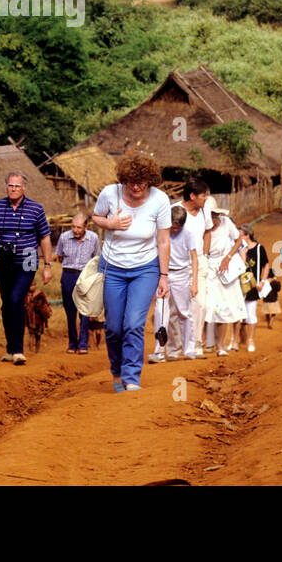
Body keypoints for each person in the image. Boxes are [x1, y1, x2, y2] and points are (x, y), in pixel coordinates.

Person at [92, 155, 171, 390]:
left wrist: (164, 276)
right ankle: (116, 370)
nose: (136, 187)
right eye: (130, 182)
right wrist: (110, 224)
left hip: (145, 268)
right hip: (113, 267)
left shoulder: (160, 200)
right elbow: (95, 217)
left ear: (150, 180)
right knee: (114, 327)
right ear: (123, 180)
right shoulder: (110, 193)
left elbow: (164, 241)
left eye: (141, 182)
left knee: (134, 324)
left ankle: (131, 378)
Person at [0, 172, 53, 365]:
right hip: (3, 260)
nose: (13, 189)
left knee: (16, 299)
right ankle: (10, 348)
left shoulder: (36, 209)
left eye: (17, 186)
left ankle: (18, 350)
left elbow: (44, 237)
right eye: (10, 185)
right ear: (6, 187)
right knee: (6, 304)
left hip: (27, 259)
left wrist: (47, 265)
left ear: (24, 188)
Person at [150, 204, 198, 362]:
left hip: (181, 274)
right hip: (163, 274)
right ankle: (160, 351)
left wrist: (194, 282)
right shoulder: (161, 231)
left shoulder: (189, 234)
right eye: (172, 227)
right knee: (161, 313)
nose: (174, 230)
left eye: (177, 228)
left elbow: (194, 258)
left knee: (184, 313)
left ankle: (189, 350)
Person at [175, 178, 213, 358]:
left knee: (200, 305)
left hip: (200, 262)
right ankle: (177, 347)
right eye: (203, 195)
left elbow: (208, 231)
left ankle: (197, 344)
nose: (206, 198)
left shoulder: (205, 211)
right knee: (177, 308)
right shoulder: (175, 211)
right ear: (192, 196)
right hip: (179, 263)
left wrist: (204, 253)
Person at [56, 212, 101, 354]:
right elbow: (59, 255)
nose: (75, 230)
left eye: (79, 228)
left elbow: (96, 258)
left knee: (84, 311)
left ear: (86, 227)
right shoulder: (64, 237)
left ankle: (83, 344)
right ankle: (72, 343)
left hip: (85, 277)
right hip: (68, 275)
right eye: (73, 227)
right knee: (70, 312)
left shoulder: (93, 238)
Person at [202, 210, 245, 356]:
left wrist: (228, 257)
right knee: (207, 306)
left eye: (214, 216)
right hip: (207, 267)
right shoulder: (202, 225)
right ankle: (203, 343)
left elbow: (239, 240)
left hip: (225, 268)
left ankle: (220, 346)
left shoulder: (226, 223)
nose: (212, 219)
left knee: (224, 309)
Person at [238, 223, 269, 353]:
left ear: (247, 235)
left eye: (240, 234)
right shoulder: (238, 249)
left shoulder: (259, 248)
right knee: (239, 316)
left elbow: (265, 265)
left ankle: (250, 339)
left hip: (253, 286)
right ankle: (239, 340)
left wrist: (262, 280)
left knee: (251, 314)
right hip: (239, 285)